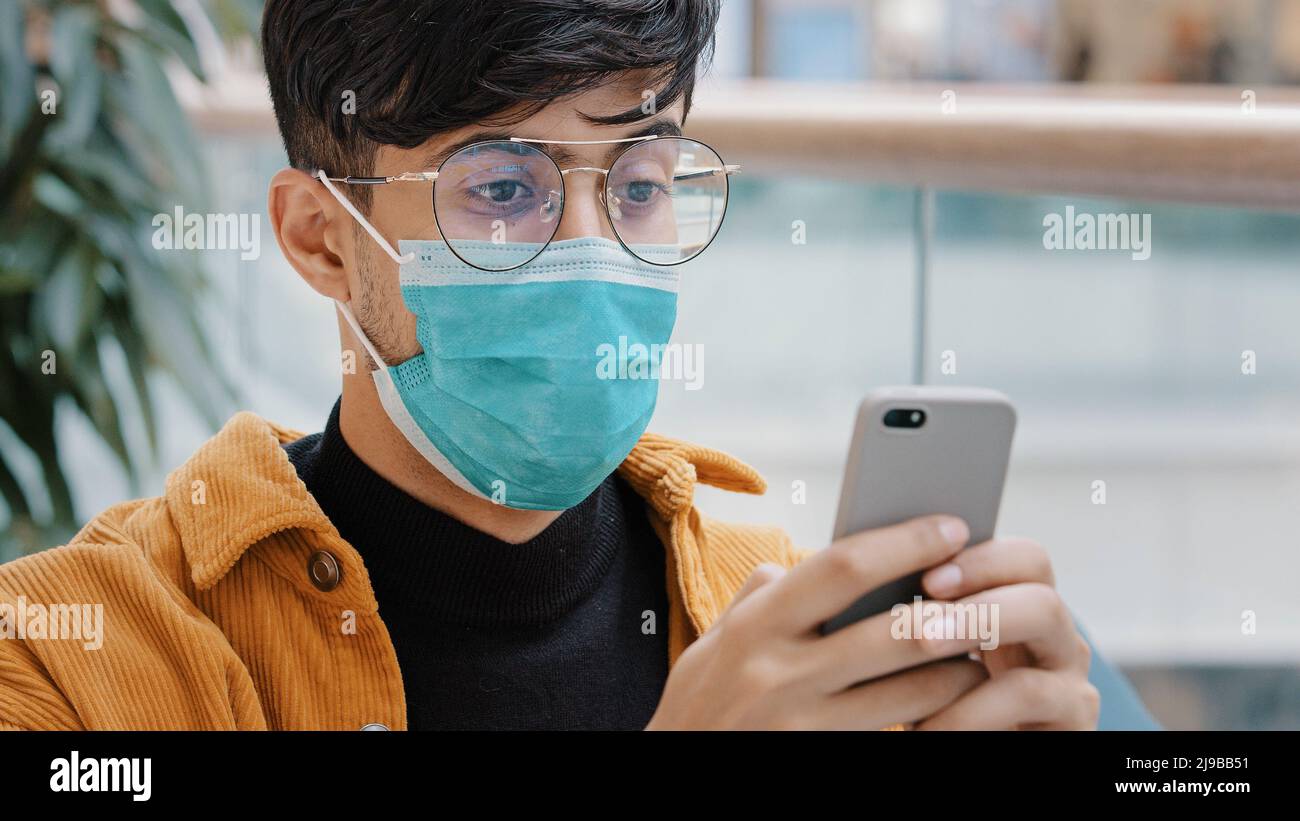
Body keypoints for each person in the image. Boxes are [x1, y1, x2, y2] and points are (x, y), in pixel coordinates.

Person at [0, 0, 1109, 730]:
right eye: (500, 188)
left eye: (638, 184)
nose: (592, 249)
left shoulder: (772, 613)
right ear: (318, 239)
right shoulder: (71, 658)